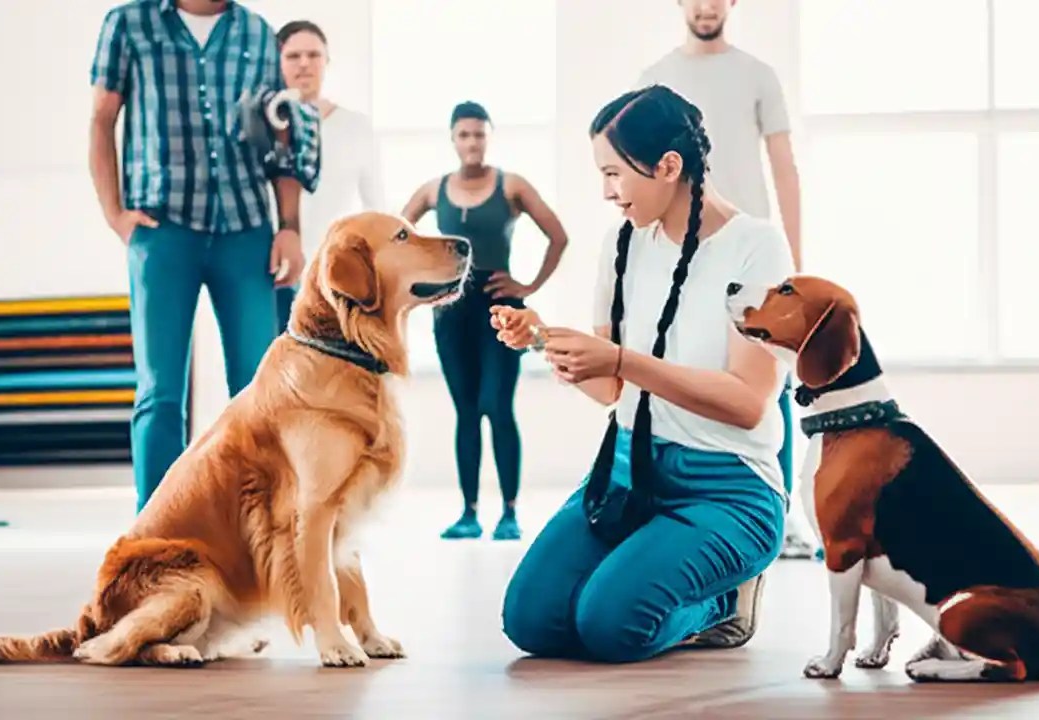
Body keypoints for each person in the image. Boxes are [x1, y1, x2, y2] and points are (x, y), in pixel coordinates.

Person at [493, 84, 792, 663]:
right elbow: (609, 388)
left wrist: (624, 360)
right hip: (628, 475)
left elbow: (749, 402)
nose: (606, 192)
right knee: (532, 620)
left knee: (610, 626)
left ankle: (726, 600)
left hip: (728, 488)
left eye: (614, 174)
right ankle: (650, 566)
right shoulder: (622, 243)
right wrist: (542, 338)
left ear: (668, 166)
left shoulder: (757, 247)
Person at [89, 0, 319, 511]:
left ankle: (261, 523)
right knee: (160, 394)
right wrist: (114, 212)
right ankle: (158, 530)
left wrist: (289, 228)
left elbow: (282, 136)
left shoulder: (259, 34)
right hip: (163, 230)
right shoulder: (129, 25)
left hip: (245, 232)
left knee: (260, 389)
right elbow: (102, 119)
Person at [638, 0, 818, 559]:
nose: (706, 4)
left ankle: (780, 511)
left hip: (752, 253)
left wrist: (793, 258)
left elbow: (784, 167)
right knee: (679, 369)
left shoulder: (757, 75)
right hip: (680, 253)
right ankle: (671, 500)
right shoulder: (655, 79)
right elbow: (637, 169)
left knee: (768, 384)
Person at [402, 102, 569, 542]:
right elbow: (397, 239)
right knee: (466, 411)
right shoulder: (432, 191)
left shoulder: (511, 185)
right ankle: (468, 513)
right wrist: (420, 293)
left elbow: (558, 234)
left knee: (497, 406)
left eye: (479, 134)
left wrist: (528, 286)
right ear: (453, 139)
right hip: (451, 314)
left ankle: (510, 513)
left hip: (500, 311)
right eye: (464, 135)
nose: (472, 142)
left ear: (489, 137)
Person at [274, 19, 385, 331]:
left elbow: (377, 207)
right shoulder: (264, 125)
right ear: (277, 62)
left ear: (327, 62)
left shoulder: (357, 127)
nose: (304, 64)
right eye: (294, 56)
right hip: (274, 271)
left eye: (314, 55)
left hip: (335, 276)